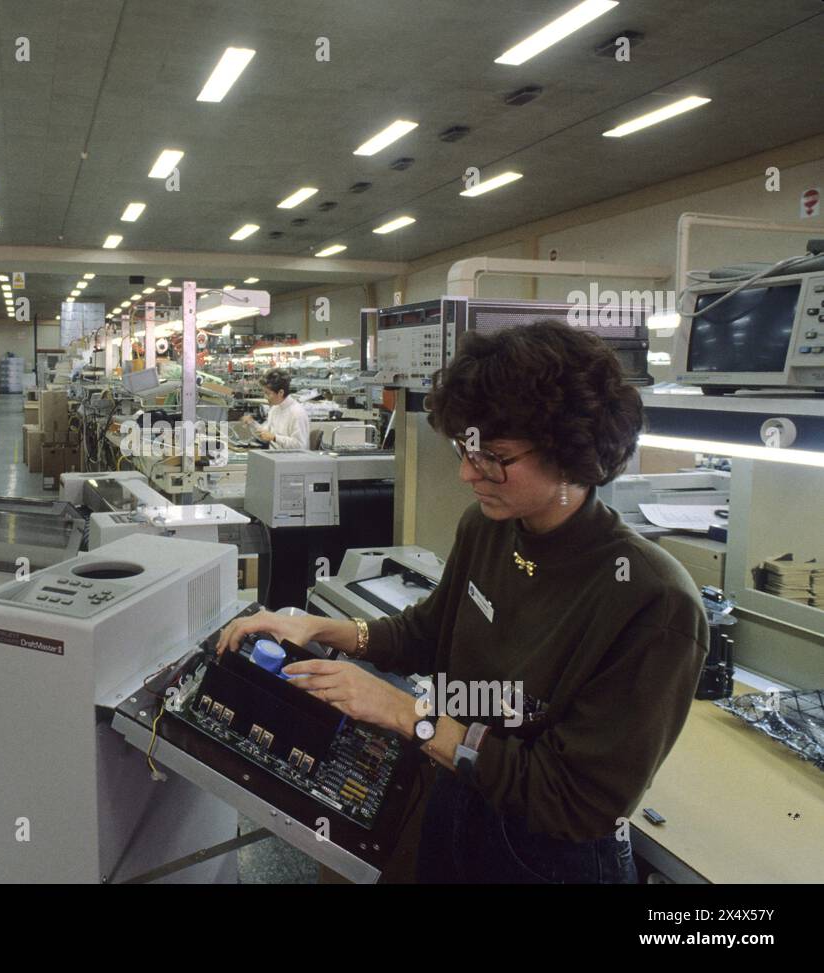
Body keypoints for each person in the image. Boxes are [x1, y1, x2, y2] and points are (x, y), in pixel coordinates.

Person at [216, 320, 708, 884]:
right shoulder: (492, 526)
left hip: (549, 858)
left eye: (493, 456)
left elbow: (576, 800)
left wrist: (409, 715)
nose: (467, 473)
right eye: (465, 449)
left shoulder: (654, 602)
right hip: (459, 796)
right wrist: (317, 628)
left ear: (573, 451)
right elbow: (426, 632)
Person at [245, 368, 310, 449]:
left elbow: (300, 446)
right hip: (274, 457)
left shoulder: (297, 413)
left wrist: (275, 438)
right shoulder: (275, 409)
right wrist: (252, 424)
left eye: (268, 393)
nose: (265, 397)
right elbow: (265, 437)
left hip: (291, 460)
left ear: (281, 392)